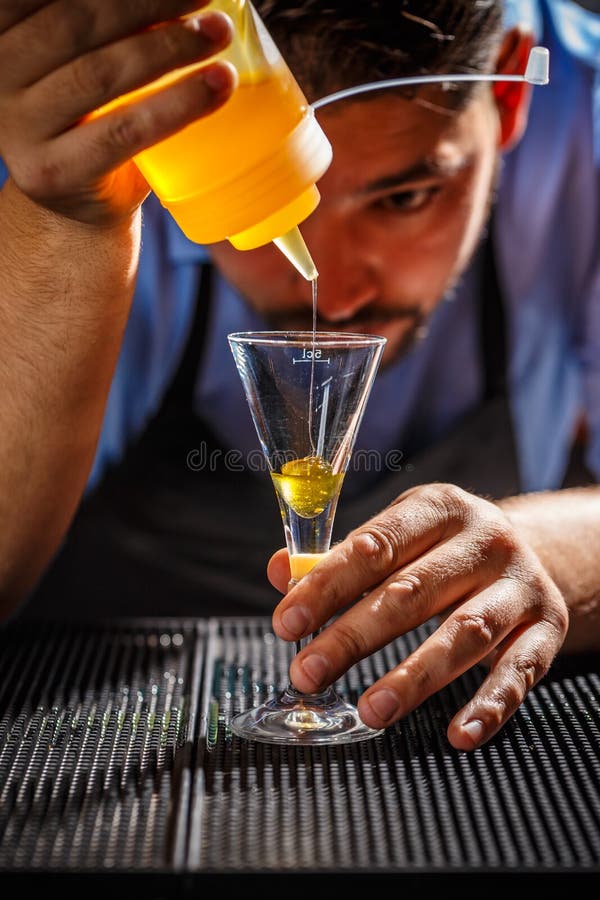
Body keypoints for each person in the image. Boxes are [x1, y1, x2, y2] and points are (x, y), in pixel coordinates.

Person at [0, 0, 599, 752]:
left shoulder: (591, 120)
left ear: (509, 94)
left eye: (404, 198)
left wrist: (548, 550)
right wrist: (64, 221)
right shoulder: (77, 128)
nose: (337, 294)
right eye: (262, 196)